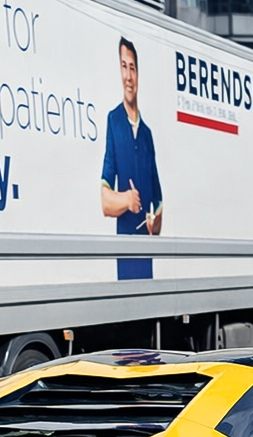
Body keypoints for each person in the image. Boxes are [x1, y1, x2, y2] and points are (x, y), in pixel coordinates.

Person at [101, 37, 163, 280]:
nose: (128, 76)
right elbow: (105, 201)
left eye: (132, 68)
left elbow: (159, 201)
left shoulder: (147, 135)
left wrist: (154, 222)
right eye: (124, 67)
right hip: (125, 251)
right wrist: (127, 200)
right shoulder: (114, 122)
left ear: (138, 74)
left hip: (145, 253)